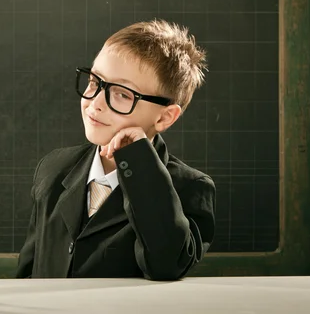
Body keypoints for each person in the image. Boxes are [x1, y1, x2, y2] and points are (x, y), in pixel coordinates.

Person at [16, 19, 215, 281]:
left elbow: (166, 264)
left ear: (165, 118)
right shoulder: (53, 168)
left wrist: (140, 164)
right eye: (94, 81)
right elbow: (28, 271)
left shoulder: (190, 187)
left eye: (122, 94)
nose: (95, 104)